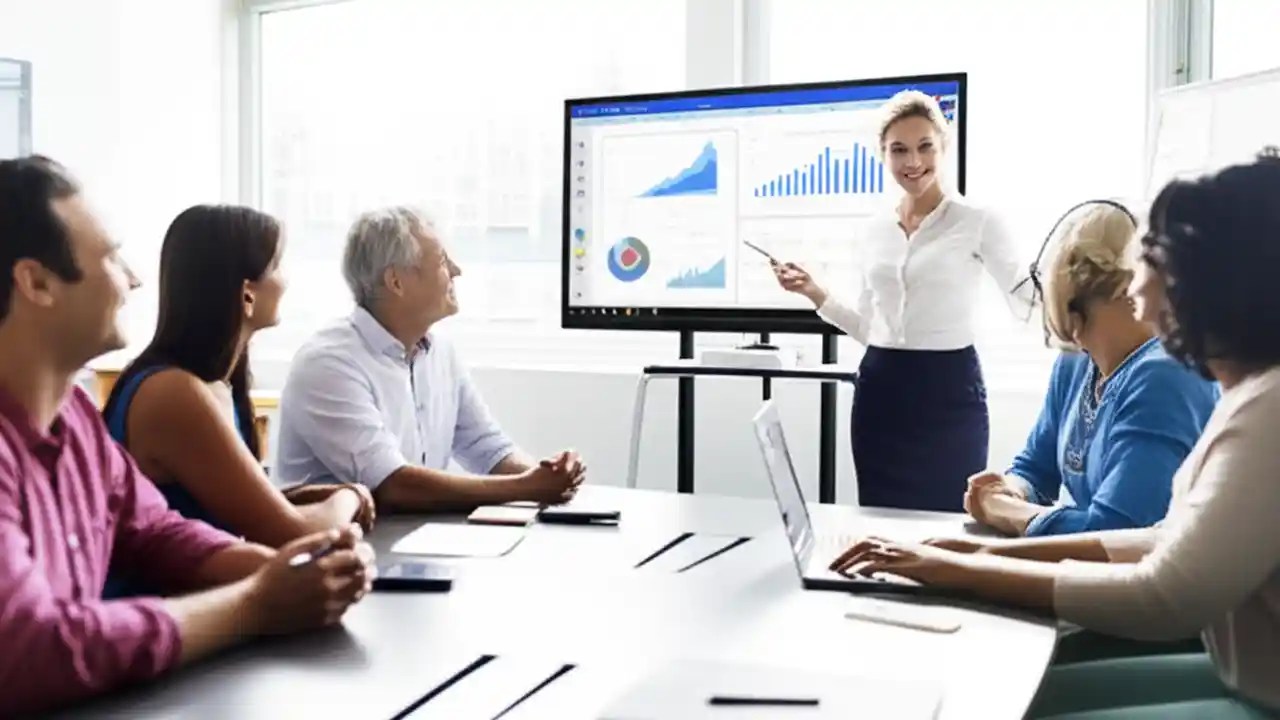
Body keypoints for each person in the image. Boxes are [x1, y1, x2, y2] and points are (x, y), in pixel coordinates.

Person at [828, 153, 1280, 718]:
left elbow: (1165, 595)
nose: (1138, 283)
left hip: (1258, 691)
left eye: (1157, 261)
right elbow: (1168, 538)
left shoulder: (1266, 410)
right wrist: (977, 550)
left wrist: (963, 570)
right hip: (1244, 674)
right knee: (1017, 692)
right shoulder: (1253, 394)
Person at [0, 156, 375, 716]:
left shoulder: (75, 418)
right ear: (37, 282)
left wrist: (297, 574)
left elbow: (154, 530)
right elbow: (31, 648)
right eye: (108, 256)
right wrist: (254, 603)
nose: (132, 278)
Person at [773, 89, 1032, 512]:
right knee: (879, 524)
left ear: (943, 147)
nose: (913, 162)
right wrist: (814, 293)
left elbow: (1027, 300)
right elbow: (870, 329)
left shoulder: (978, 221)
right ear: (884, 155)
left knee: (952, 526)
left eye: (925, 146)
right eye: (899, 150)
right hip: (881, 392)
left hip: (949, 392)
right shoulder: (875, 229)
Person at [101, 205, 374, 553]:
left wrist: (294, 497)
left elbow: (218, 507)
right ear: (247, 293)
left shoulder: (214, 386)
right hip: (164, 603)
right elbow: (294, 535)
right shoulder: (174, 393)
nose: (285, 281)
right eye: (277, 266)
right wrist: (351, 494)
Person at [276, 206, 585, 511]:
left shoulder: (440, 352)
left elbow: (486, 447)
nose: (456, 270)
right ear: (396, 282)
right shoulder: (328, 363)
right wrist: (527, 488)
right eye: (441, 261)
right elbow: (392, 484)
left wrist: (547, 477)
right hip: (337, 548)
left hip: (410, 538)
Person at [965, 203, 1218, 537]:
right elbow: (1034, 468)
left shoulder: (1167, 376)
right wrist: (1011, 490)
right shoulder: (1076, 360)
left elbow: (1115, 531)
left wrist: (1008, 511)